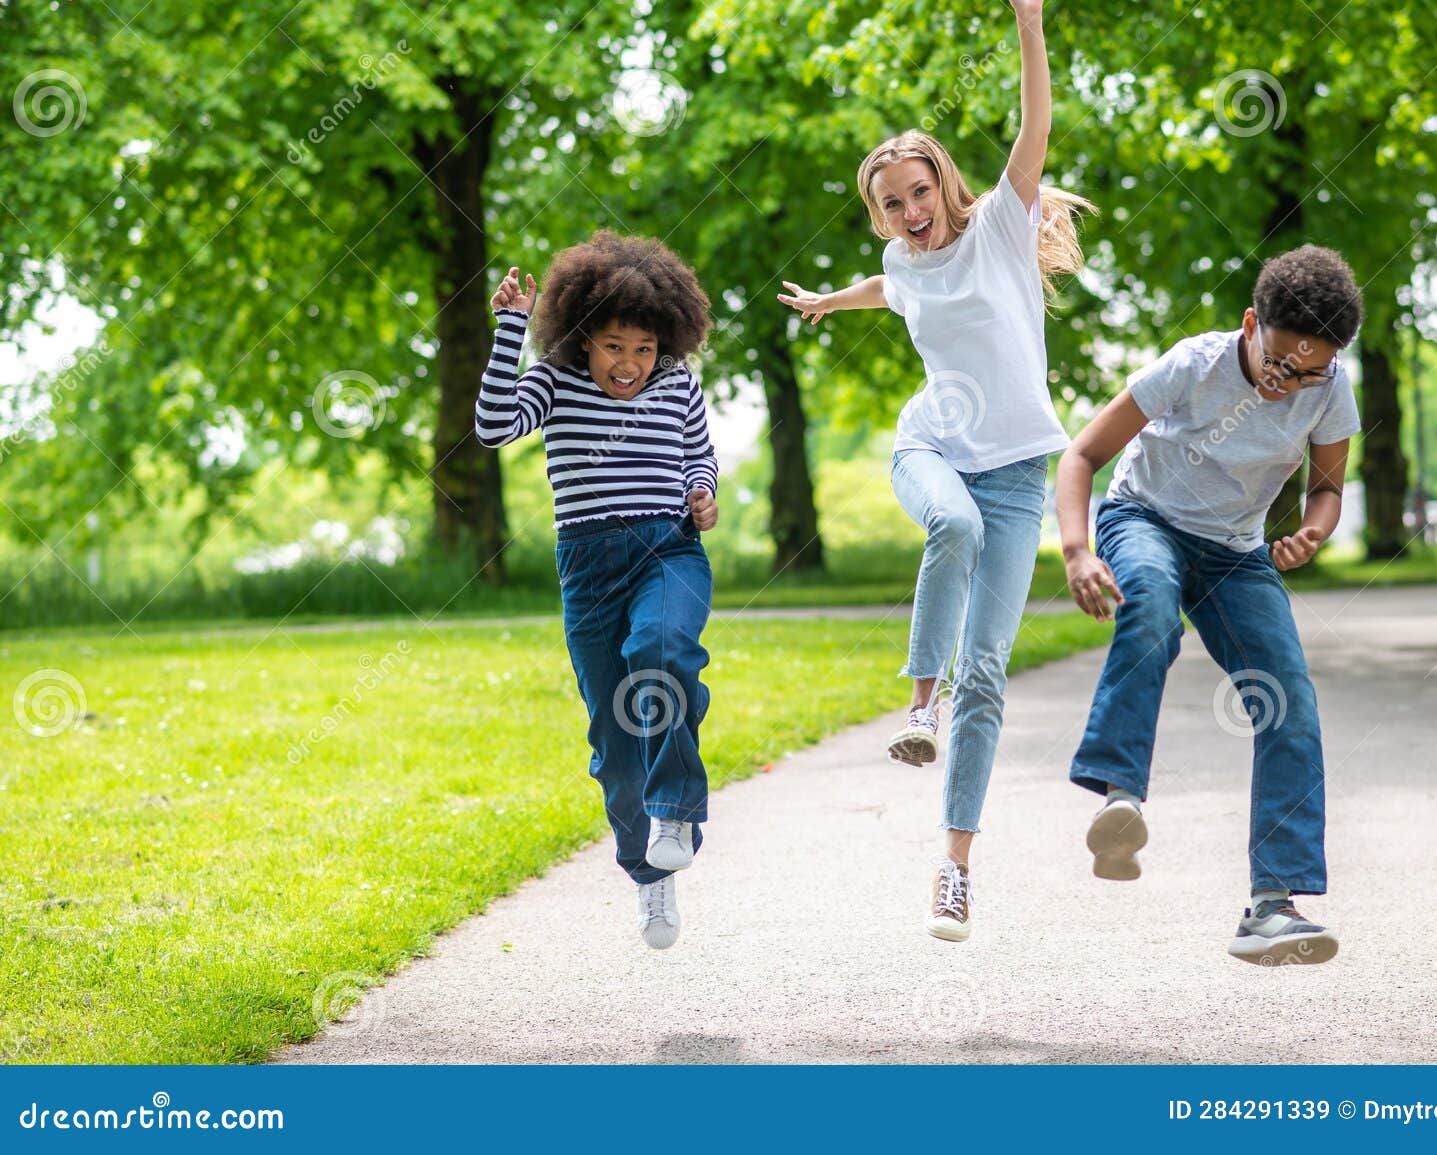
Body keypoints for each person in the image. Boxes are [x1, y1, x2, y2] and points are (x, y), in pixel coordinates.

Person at [776, 0, 1094, 942]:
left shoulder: (1000, 224)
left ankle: (953, 869)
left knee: (989, 676)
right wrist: (836, 298)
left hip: (1017, 473)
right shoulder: (898, 261)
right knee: (948, 527)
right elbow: (892, 284)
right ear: (878, 213)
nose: (910, 214)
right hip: (932, 448)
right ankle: (919, 704)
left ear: (943, 184)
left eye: (919, 193)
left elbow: (1035, 126)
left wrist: (1029, 26)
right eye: (891, 204)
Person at [1056, 245, 1363, 967]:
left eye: (1310, 371)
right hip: (1146, 520)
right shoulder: (1192, 365)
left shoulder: (1330, 388)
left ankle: (1272, 904)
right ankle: (1120, 797)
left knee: (1289, 698)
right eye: (1280, 363)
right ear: (1252, 324)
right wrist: (1076, 549)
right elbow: (1081, 456)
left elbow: (1327, 487)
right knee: (1154, 607)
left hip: (1237, 552)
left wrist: (1314, 530)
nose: (1290, 384)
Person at [475, 231, 718, 951]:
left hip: (668, 550)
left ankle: (676, 805)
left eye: (643, 348)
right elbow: (492, 426)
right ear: (583, 337)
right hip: (588, 567)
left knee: (663, 646)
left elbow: (698, 452)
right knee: (614, 741)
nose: (630, 364)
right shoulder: (554, 380)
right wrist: (509, 330)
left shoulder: (676, 380)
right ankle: (650, 876)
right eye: (614, 345)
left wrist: (702, 491)